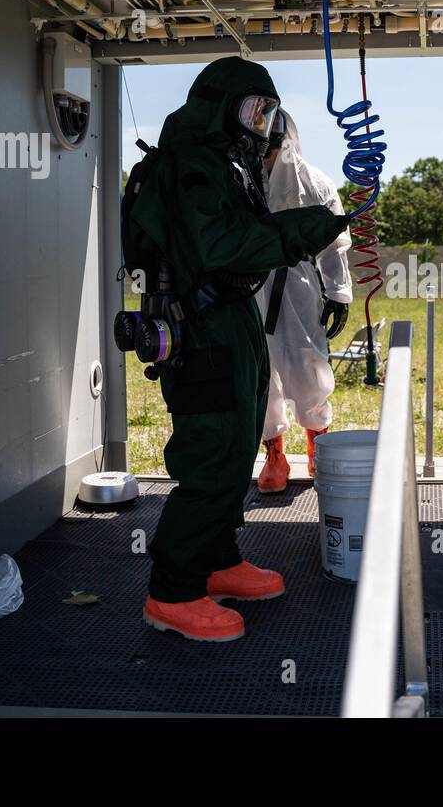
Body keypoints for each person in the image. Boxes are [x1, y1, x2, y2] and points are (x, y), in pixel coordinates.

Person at [128, 57, 350, 642]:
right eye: (253, 110)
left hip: (230, 318)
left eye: (268, 112)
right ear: (220, 107)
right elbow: (222, 245)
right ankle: (173, 591)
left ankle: (218, 560)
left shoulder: (229, 164)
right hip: (199, 325)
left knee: (239, 444)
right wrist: (303, 229)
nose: (262, 124)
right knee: (212, 453)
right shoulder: (192, 165)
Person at [253, 109, 353, 492]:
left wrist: (338, 293)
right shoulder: (243, 181)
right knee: (262, 375)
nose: (268, 154)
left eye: (273, 143)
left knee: (309, 368)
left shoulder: (315, 183)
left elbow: (334, 243)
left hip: (299, 285)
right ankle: (274, 454)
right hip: (252, 283)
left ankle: (318, 447)